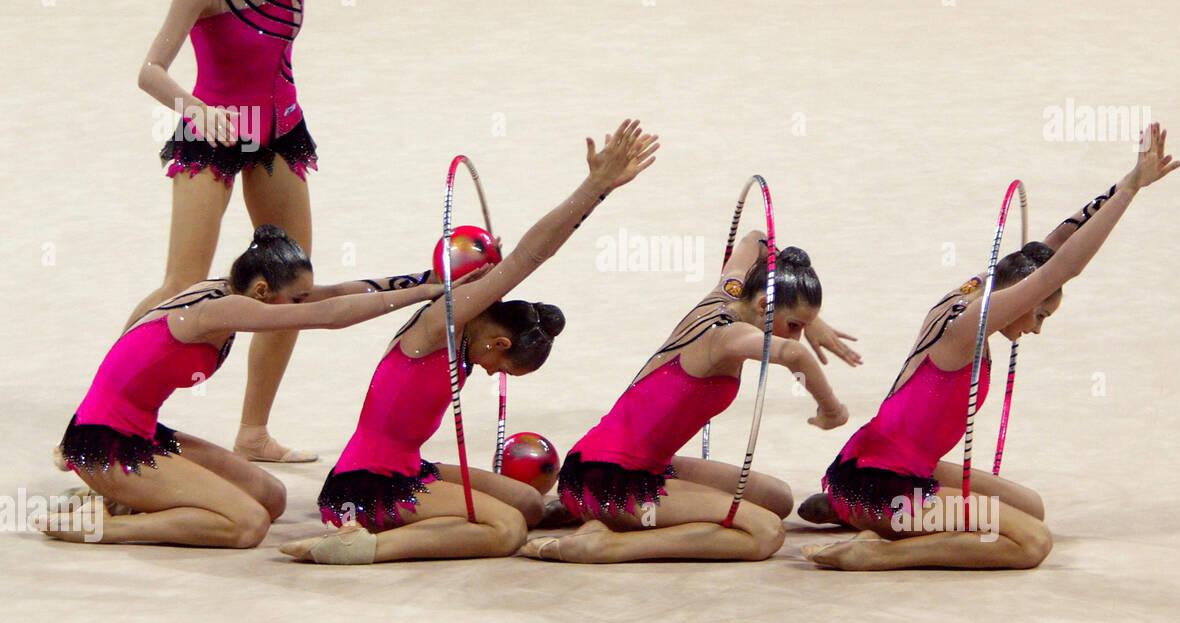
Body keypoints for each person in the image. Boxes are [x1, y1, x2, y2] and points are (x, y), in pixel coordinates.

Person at [124, 0, 540, 465]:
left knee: (296, 289)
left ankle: (253, 431)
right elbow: (149, 71)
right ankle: (103, 411)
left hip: (279, 135)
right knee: (182, 284)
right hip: (212, 135)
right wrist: (192, 108)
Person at [802, 123, 1180, 571]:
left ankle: (848, 510)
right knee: (1032, 542)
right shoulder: (968, 328)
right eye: (1040, 314)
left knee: (1030, 507)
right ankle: (881, 548)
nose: (1037, 329)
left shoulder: (979, 288)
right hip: (884, 485)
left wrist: (1126, 179)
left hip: (896, 466)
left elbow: (1053, 245)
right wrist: (1130, 193)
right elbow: (1062, 268)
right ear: (1021, 295)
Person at [280, 119, 659, 564]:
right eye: (503, 368)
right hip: (367, 481)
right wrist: (596, 187)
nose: (493, 373)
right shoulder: (444, 324)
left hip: (406, 465)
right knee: (507, 528)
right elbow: (531, 255)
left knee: (531, 504)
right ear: (499, 343)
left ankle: (427, 523)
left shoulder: (462, 327)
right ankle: (363, 544)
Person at [44, 226, 456, 548]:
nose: (303, 306)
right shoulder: (217, 311)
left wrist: (423, 278)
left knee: (271, 498)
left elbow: (338, 294)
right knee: (246, 524)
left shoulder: (230, 289)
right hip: (104, 443)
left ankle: (126, 497)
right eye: (296, 300)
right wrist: (428, 293)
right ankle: (100, 528)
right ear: (262, 291)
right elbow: (331, 314)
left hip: (139, 434)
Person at [520, 231, 857, 564]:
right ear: (764, 305)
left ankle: (603, 515)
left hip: (641, 464)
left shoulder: (727, 292)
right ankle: (605, 544)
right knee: (765, 532)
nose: (799, 332)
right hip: (609, 479)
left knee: (777, 500)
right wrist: (832, 411)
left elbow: (757, 239)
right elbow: (795, 355)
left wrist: (809, 316)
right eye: (795, 324)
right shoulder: (729, 336)